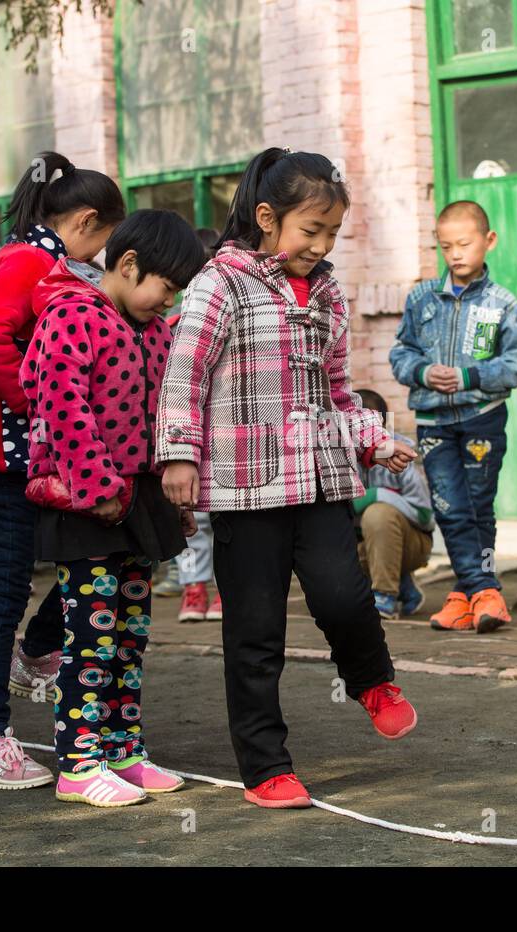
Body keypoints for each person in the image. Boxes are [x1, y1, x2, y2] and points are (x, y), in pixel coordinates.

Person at [157, 147, 420, 810]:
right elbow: (184, 376)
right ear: (268, 217)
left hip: (322, 480)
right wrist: (179, 455)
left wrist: (373, 438)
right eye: (312, 230)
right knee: (255, 633)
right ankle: (266, 766)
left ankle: (372, 681)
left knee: (344, 597)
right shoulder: (220, 284)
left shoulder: (328, 292)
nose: (322, 245)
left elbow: (338, 391)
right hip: (246, 489)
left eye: (333, 233)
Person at [0, 151, 126, 790]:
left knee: (91, 552)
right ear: (85, 221)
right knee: (0, 596)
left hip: (28, 454)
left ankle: (35, 652)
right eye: (103, 241)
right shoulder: (26, 261)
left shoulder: (44, 263)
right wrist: (38, 402)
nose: (102, 256)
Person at [22, 209, 206, 806]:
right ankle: (78, 763)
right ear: (128, 265)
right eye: (166, 287)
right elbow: (63, 406)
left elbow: (170, 408)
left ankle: (124, 751)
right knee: (90, 640)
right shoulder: (70, 315)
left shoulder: (157, 331)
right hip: (88, 507)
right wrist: (99, 486)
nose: (169, 301)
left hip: (141, 503)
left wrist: (172, 497)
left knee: (130, 638)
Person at [389, 200, 517, 634]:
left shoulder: (502, 303)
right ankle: (481, 592)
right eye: (446, 246)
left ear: (489, 241)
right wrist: (422, 372)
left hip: (482, 417)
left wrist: (470, 375)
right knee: (449, 507)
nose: (455, 254)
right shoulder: (421, 298)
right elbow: (401, 352)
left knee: (477, 506)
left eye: (465, 244)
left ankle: (468, 593)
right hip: (434, 422)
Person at [171, 226, 222, 622]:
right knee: (189, 514)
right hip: (185, 432)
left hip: (223, 431)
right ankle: (193, 585)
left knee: (223, 517)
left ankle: (224, 588)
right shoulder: (171, 322)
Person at [352, 389, 433, 619]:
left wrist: (378, 495)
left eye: (371, 426)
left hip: (412, 544)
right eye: (355, 426)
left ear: (384, 426)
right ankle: (404, 585)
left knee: (378, 514)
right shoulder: (338, 458)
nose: (363, 435)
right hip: (361, 546)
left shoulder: (401, 455)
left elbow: (425, 517)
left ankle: (384, 594)